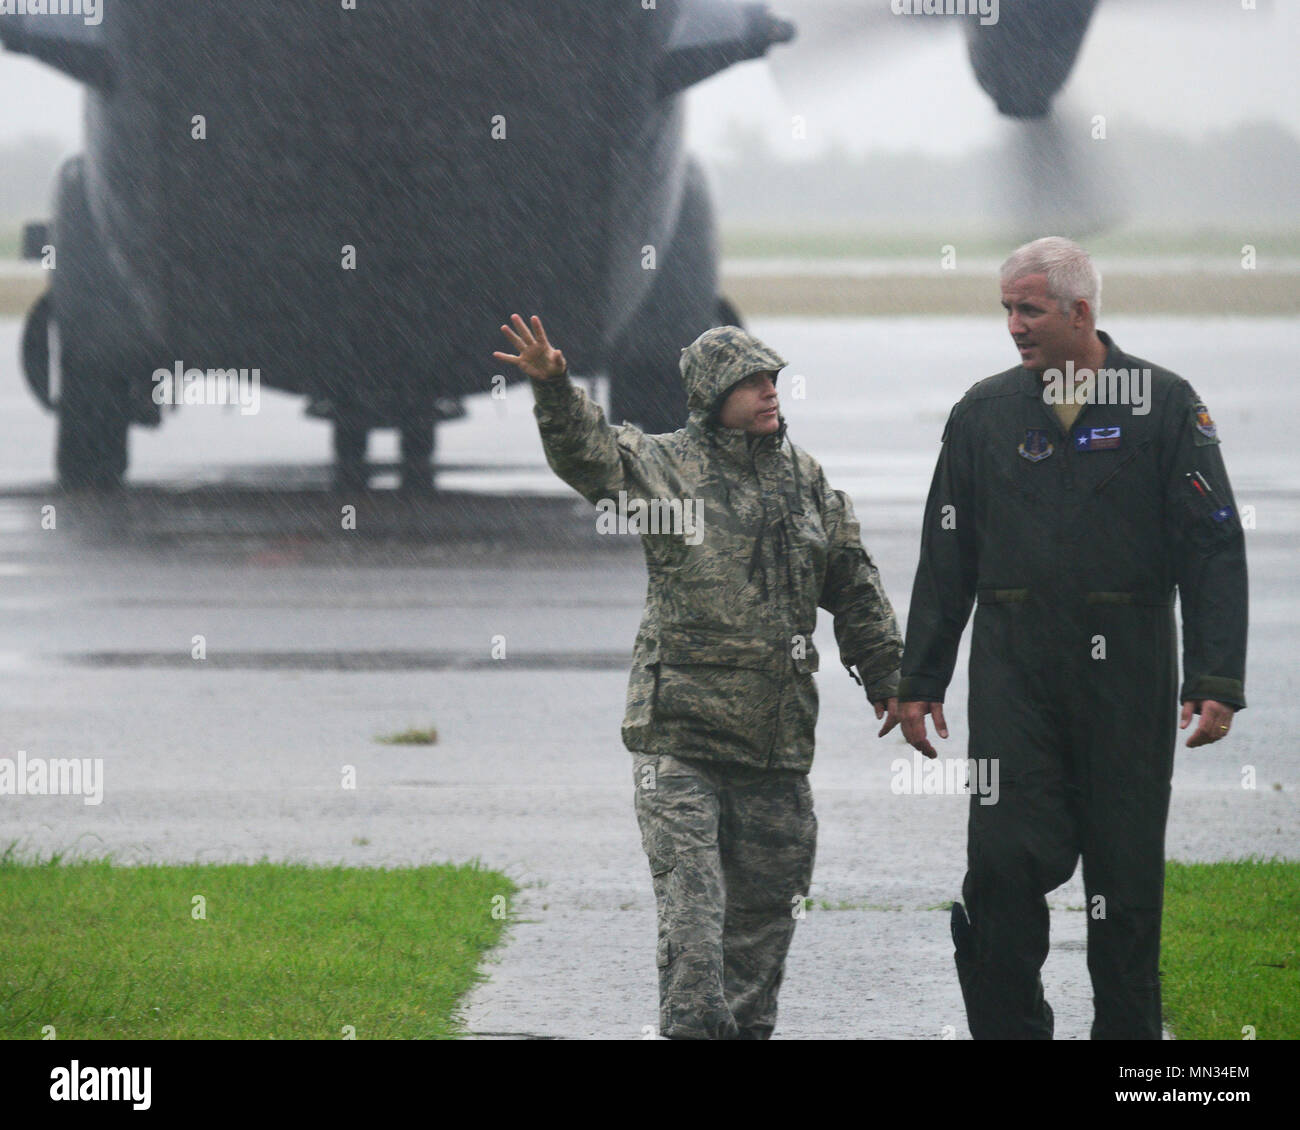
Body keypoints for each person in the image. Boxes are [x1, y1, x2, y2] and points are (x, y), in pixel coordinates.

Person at [494, 314, 903, 1039]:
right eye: (752, 381)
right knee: (693, 921)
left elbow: (853, 582)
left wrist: (892, 679)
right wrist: (556, 388)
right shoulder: (668, 467)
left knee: (764, 921)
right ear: (713, 393)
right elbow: (593, 457)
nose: (770, 392)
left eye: (773, 378)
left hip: (775, 748)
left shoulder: (804, 480)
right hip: (679, 739)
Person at [897, 236, 1248, 1040]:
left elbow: (1212, 544)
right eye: (1006, 310)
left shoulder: (1163, 404)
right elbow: (946, 553)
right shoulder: (982, 413)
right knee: (1000, 864)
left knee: (1123, 890)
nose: (1014, 326)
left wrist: (1216, 676)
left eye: (1029, 309)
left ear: (1080, 311)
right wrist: (921, 679)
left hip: (1126, 678)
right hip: (1014, 678)